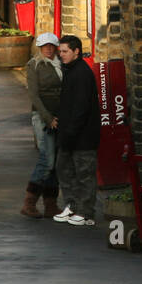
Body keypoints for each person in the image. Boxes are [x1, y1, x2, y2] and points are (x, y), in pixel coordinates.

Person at [52, 34, 100, 227]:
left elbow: (81, 108)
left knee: (84, 173)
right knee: (64, 170)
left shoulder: (81, 73)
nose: (61, 55)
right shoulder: (71, 70)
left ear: (76, 51)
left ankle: (85, 212)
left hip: (83, 136)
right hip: (68, 133)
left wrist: (71, 131)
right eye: (60, 51)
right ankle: (71, 206)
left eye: (65, 51)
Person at [22, 32, 63, 219]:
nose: (48, 48)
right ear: (39, 47)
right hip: (42, 117)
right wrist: (48, 118)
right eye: (44, 45)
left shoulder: (62, 63)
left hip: (60, 117)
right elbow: (34, 96)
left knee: (54, 162)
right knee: (47, 159)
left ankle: (51, 204)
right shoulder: (34, 65)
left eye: (51, 45)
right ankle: (29, 203)